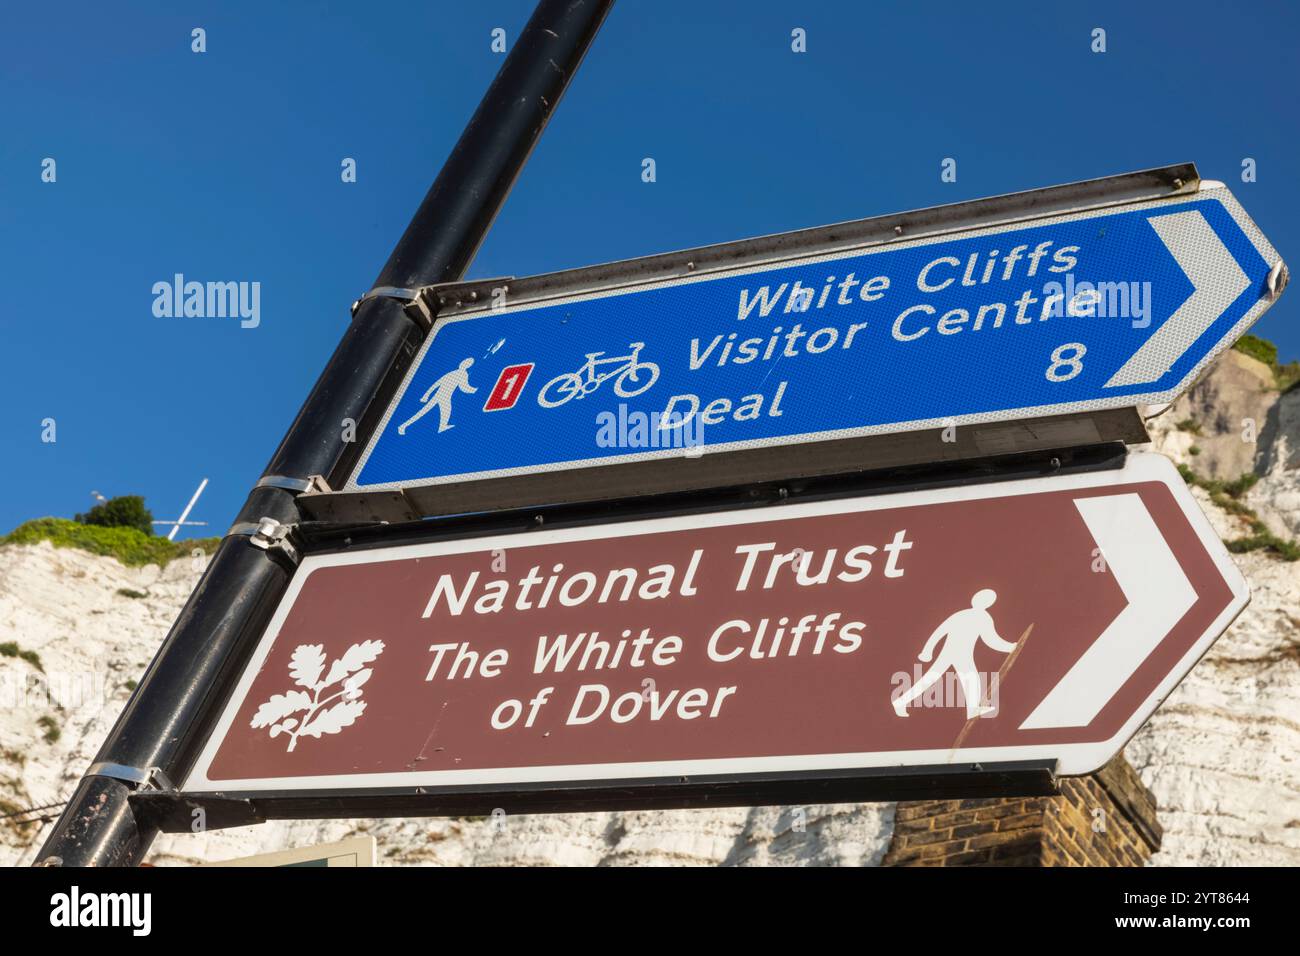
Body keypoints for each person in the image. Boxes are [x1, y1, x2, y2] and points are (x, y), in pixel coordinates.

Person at [893, 588, 1016, 719]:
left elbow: (940, 632)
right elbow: (990, 640)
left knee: (948, 678)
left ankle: (901, 702)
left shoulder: (964, 614)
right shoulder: (981, 617)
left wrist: (927, 650)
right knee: (968, 678)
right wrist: (1010, 647)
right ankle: (900, 702)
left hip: (956, 652)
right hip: (958, 653)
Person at [397, 357, 477, 435]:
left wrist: (472, 389)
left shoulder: (459, 373)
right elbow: (439, 383)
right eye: (465, 361)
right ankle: (402, 426)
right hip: (442, 395)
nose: (465, 363)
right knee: (423, 412)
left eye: (468, 363)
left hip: (445, 396)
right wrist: (426, 395)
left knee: (446, 410)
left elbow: (463, 387)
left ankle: (442, 426)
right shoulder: (459, 373)